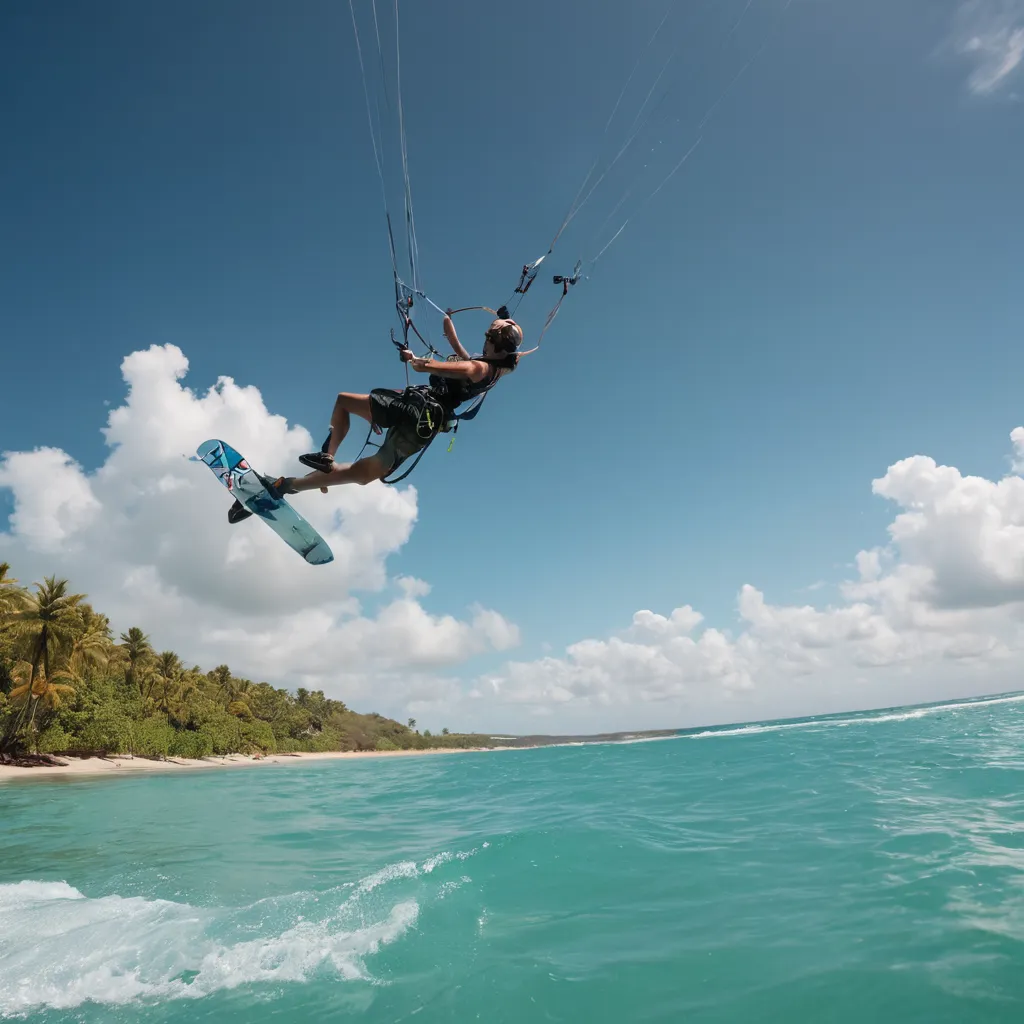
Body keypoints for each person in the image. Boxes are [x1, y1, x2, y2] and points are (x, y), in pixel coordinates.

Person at [227, 313, 522, 523]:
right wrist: (450, 333)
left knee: (343, 401)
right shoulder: (496, 370)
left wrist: (413, 359)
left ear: (495, 344)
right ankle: (286, 486)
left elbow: (430, 367)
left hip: (414, 408)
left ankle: (326, 457)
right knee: (364, 474)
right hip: (423, 429)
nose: (484, 341)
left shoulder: (476, 369)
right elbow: (467, 358)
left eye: (488, 337)